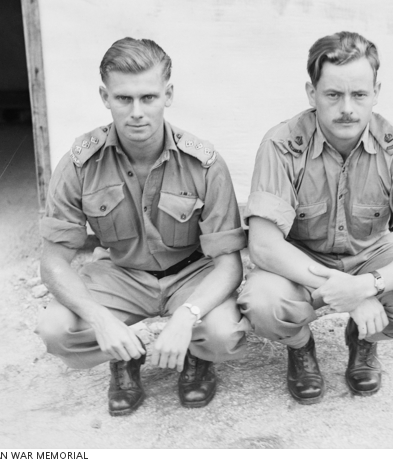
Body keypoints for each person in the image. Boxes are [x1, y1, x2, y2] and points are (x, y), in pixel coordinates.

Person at [238, 31, 393, 405]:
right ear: (312, 93)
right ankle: (301, 345)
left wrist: (368, 285)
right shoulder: (280, 145)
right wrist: (348, 291)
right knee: (262, 302)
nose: (347, 109)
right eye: (333, 95)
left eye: (359, 95)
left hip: (372, 252)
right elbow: (263, 245)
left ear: (376, 92)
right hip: (304, 258)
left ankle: (364, 337)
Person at [36, 37, 249, 416]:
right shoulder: (79, 164)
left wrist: (188, 317)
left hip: (189, 274)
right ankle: (124, 355)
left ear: (168, 94)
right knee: (56, 329)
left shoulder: (203, 163)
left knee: (222, 333)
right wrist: (101, 320)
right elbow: (53, 261)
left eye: (148, 98)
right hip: (120, 274)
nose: (137, 112)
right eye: (124, 99)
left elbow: (230, 264)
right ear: (105, 96)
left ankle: (196, 356)